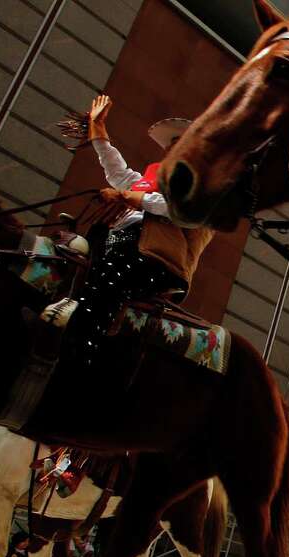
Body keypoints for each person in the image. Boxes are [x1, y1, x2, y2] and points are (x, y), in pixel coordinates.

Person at [70, 94, 213, 365]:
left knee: (105, 284)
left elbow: (179, 213)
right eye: (171, 146)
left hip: (154, 258)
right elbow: (119, 174)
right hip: (115, 241)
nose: (172, 151)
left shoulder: (200, 190)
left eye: (180, 146)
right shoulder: (150, 179)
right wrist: (98, 132)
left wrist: (128, 197)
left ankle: (80, 355)